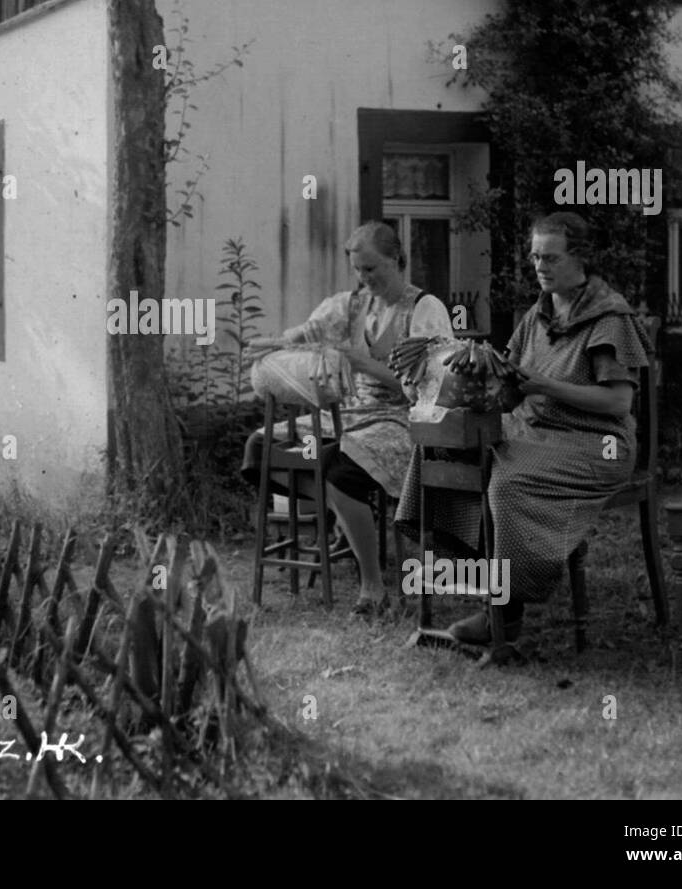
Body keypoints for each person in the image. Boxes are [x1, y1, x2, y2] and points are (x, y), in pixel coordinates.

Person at [395, 211, 653, 644]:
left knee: (507, 482)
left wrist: (542, 385)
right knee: (440, 453)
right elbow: (512, 389)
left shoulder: (611, 318)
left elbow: (618, 402)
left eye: (550, 258)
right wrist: (461, 364)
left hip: (597, 444)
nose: (540, 267)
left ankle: (504, 613)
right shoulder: (538, 315)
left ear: (581, 258)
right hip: (533, 433)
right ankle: (478, 593)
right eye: (535, 258)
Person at [242, 221, 453, 618]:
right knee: (263, 444)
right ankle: (345, 521)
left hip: (403, 418)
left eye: (372, 269)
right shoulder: (353, 305)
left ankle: (372, 586)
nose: (364, 278)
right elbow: (307, 333)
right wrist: (273, 347)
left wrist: (361, 363)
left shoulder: (425, 309)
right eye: (357, 269)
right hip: (354, 412)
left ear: (397, 259)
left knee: (342, 465)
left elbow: (429, 386)